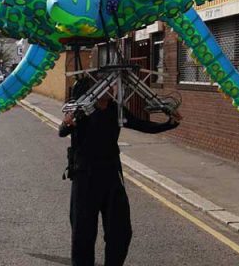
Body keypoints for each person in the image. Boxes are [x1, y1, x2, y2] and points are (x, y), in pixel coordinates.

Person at [59, 88, 181, 266]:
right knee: (82, 232)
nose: (109, 90)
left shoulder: (117, 110)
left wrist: (170, 123)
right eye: (104, 86)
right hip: (85, 176)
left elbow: (142, 125)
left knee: (121, 231)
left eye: (112, 87)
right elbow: (62, 131)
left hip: (111, 175)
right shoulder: (82, 109)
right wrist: (67, 123)